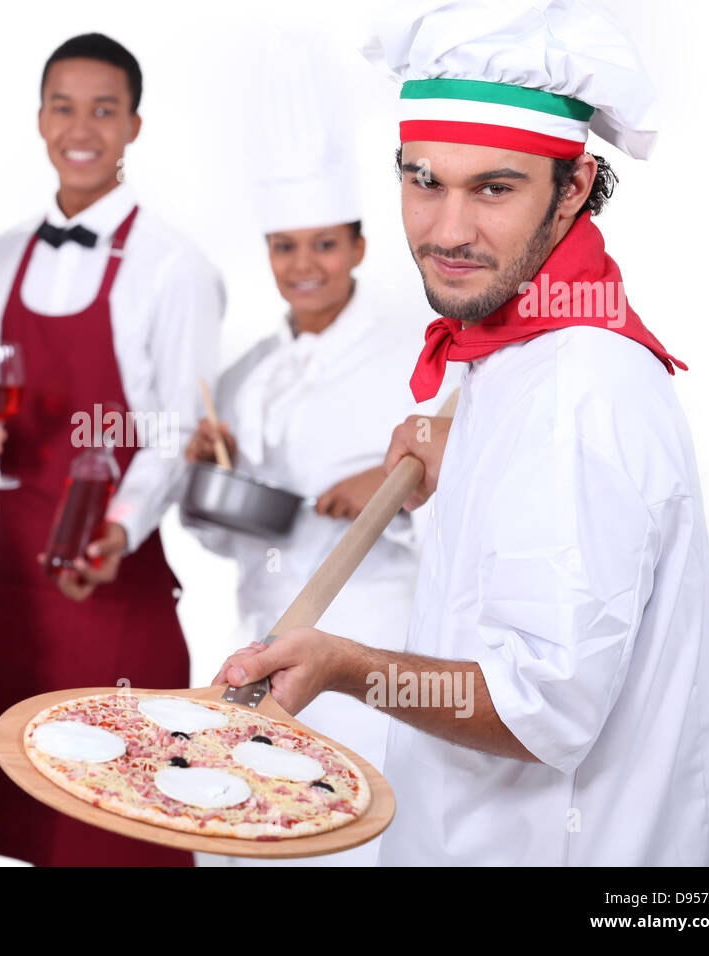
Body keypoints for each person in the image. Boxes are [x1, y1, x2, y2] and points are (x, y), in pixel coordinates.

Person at [218, 0, 709, 866]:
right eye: (424, 180)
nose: (448, 231)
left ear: (573, 186)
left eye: (493, 188)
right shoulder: (505, 352)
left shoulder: (586, 387)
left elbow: (541, 706)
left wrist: (349, 667)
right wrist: (461, 457)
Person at [0, 33, 223, 866]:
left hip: (115, 585)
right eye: (64, 106)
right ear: (39, 119)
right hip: (13, 589)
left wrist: (118, 529)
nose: (82, 127)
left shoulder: (176, 268)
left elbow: (175, 430)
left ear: (133, 125)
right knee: (26, 829)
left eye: (104, 109)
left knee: (121, 832)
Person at [183, 39, 455, 867]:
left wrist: (398, 480)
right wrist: (211, 477)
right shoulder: (244, 375)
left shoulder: (416, 352)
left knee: (352, 834)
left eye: (325, 245)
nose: (304, 267)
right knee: (240, 829)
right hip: (254, 644)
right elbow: (227, 537)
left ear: (361, 247)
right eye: (284, 246)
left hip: (374, 650)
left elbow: (471, 488)